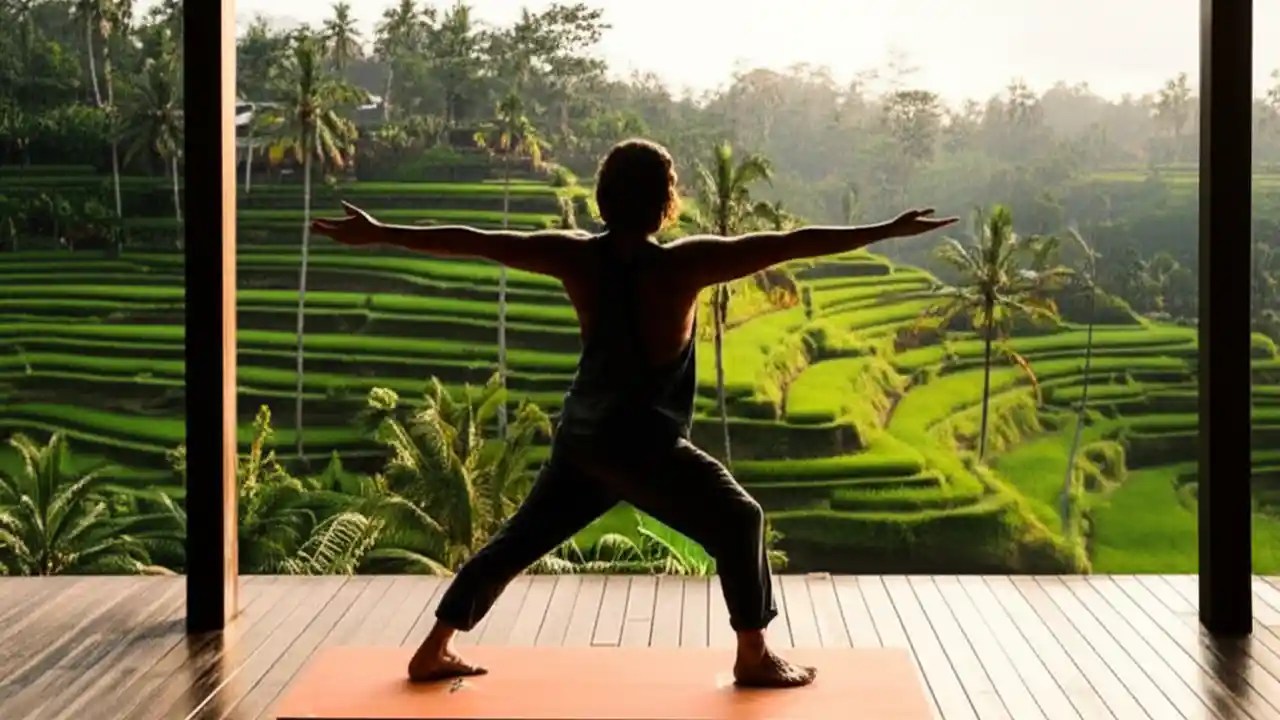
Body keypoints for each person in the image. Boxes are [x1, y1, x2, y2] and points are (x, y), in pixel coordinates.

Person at [311, 138, 957, 689]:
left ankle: (432, 651)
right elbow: (792, 243)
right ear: (663, 201)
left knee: (518, 541)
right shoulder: (687, 263)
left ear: (604, 198)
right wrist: (885, 230)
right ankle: (753, 657)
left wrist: (380, 233)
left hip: (583, 437)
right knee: (741, 517)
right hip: (642, 443)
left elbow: (477, 242)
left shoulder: (574, 256)